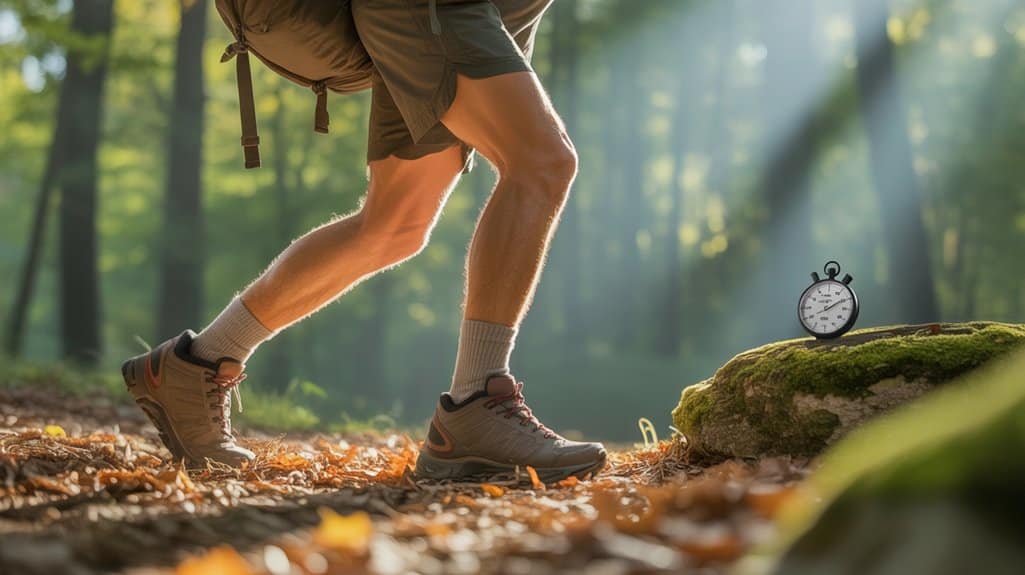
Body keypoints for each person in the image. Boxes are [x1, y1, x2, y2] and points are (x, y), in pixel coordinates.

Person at [121, 0, 607, 482]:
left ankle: (198, 363)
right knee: (542, 162)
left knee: (394, 227)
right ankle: (476, 400)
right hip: (435, 10)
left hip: (483, 16)